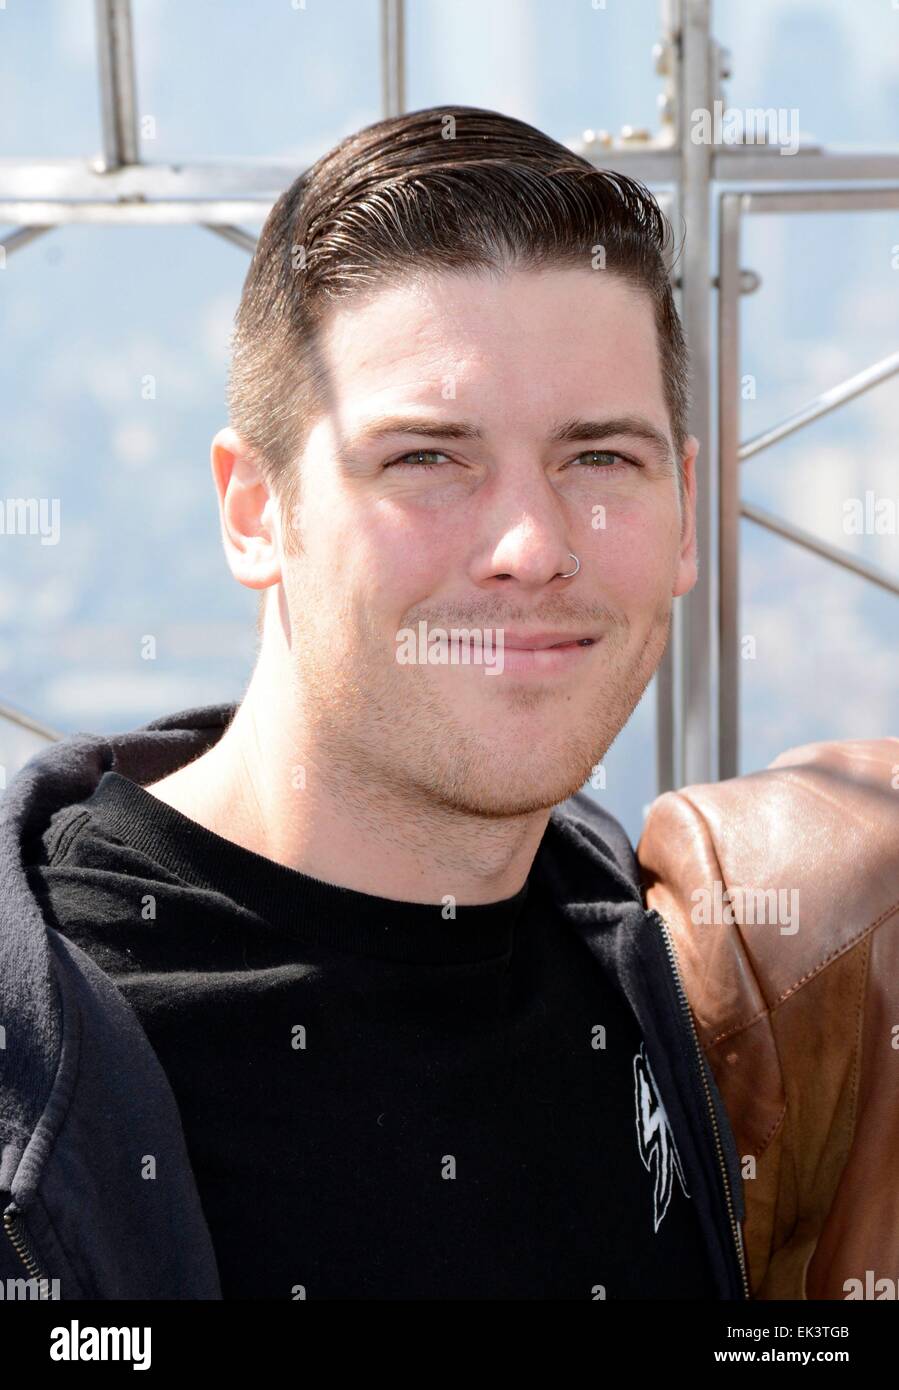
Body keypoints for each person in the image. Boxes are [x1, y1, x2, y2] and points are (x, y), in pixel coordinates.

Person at [2, 103, 753, 1300]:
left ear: (685, 511)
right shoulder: (38, 1074)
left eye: (600, 457)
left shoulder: (701, 996)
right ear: (255, 511)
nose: (530, 544)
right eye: (426, 458)